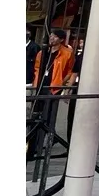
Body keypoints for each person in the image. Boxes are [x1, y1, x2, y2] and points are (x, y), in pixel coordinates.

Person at [28, 28, 75, 161]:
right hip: (41, 86)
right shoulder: (43, 51)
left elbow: (70, 70)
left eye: (55, 37)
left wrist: (63, 83)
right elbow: (37, 68)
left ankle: (45, 139)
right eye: (51, 36)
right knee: (36, 113)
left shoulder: (67, 53)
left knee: (48, 115)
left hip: (54, 87)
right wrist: (36, 81)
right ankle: (35, 142)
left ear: (61, 39)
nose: (52, 38)